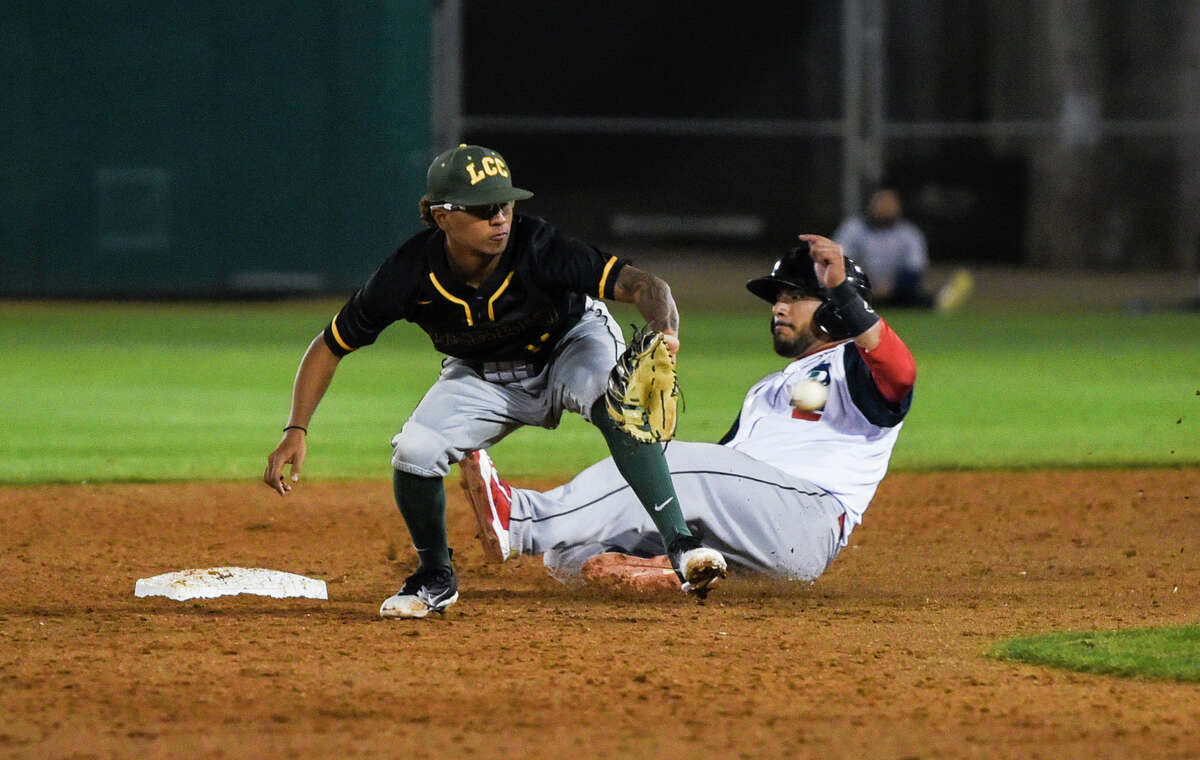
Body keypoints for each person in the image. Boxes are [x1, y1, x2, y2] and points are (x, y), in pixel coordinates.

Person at [263, 144, 726, 618]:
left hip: (570, 346)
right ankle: (434, 575)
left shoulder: (538, 245)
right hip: (480, 374)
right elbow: (331, 344)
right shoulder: (407, 273)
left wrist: (664, 328)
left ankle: (682, 545)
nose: (500, 219)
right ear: (442, 217)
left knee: (618, 404)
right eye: (483, 211)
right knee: (415, 451)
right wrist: (295, 429)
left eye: (505, 204)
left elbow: (646, 286)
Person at [459, 234, 916, 589]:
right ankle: (678, 576)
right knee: (573, 549)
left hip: (804, 516)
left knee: (665, 462)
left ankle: (520, 518)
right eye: (778, 297)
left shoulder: (855, 364)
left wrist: (847, 298)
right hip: (747, 532)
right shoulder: (768, 389)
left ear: (837, 310)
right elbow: (719, 478)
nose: (779, 306)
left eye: (795, 296)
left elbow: (901, 373)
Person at [833, 186, 972, 312]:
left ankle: (941, 302)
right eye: (881, 202)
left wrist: (890, 288)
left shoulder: (909, 233)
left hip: (896, 291)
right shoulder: (853, 228)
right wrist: (866, 285)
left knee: (918, 298)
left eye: (890, 203)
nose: (885, 207)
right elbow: (839, 261)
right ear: (872, 203)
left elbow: (914, 268)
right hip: (860, 288)